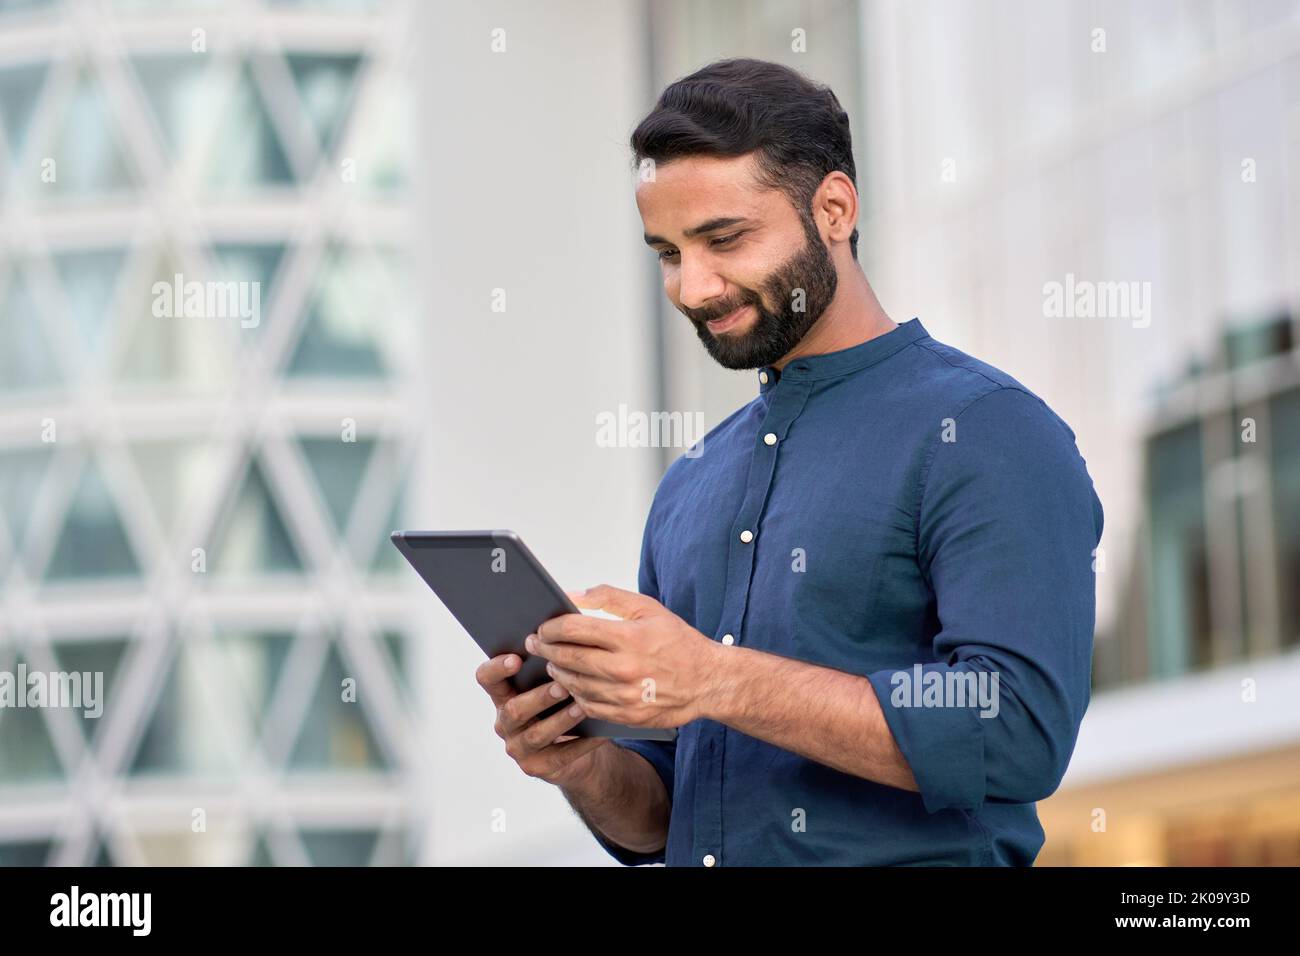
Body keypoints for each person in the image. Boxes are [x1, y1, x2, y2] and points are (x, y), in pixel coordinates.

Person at [476, 57, 1103, 866]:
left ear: (834, 208)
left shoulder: (986, 430)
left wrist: (714, 677)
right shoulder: (688, 485)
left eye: (724, 239)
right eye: (667, 253)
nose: (693, 287)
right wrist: (584, 764)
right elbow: (667, 820)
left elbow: (1016, 731)